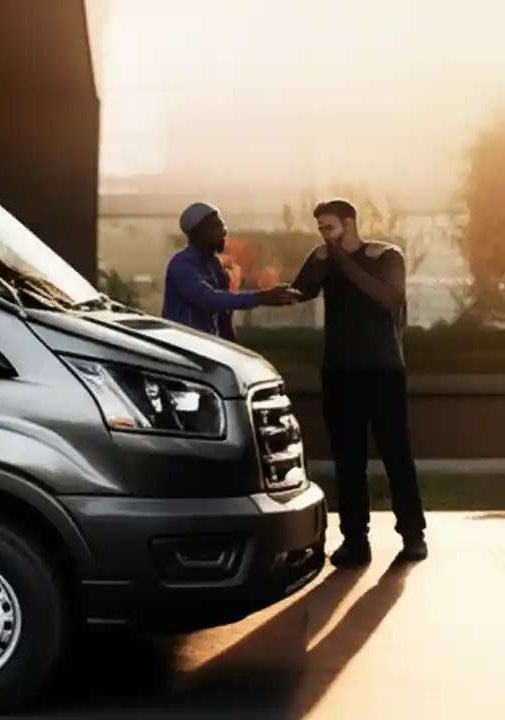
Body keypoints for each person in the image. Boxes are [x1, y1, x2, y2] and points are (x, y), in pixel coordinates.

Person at [289, 198, 428, 566]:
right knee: (347, 460)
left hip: (383, 369)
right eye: (320, 229)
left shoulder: (386, 256)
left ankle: (413, 535)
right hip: (339, 371)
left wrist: (340, 259)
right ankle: (355, 540)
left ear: (349, 224)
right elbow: (299, 292)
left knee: (396, 453)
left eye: (329, 227)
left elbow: (388, 297)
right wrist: (316, 264)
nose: (324, 235)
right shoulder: (326, 258)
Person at [162, 202, 301, 340]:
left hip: (206, 346)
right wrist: (262, 297)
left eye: (222, 225)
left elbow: (224, 313)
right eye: (215, 227)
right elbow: (209, 299)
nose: (224, 231)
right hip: (181, 348)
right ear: (198, 233)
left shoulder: (214, 264)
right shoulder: (181, 265)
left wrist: (233, 347)